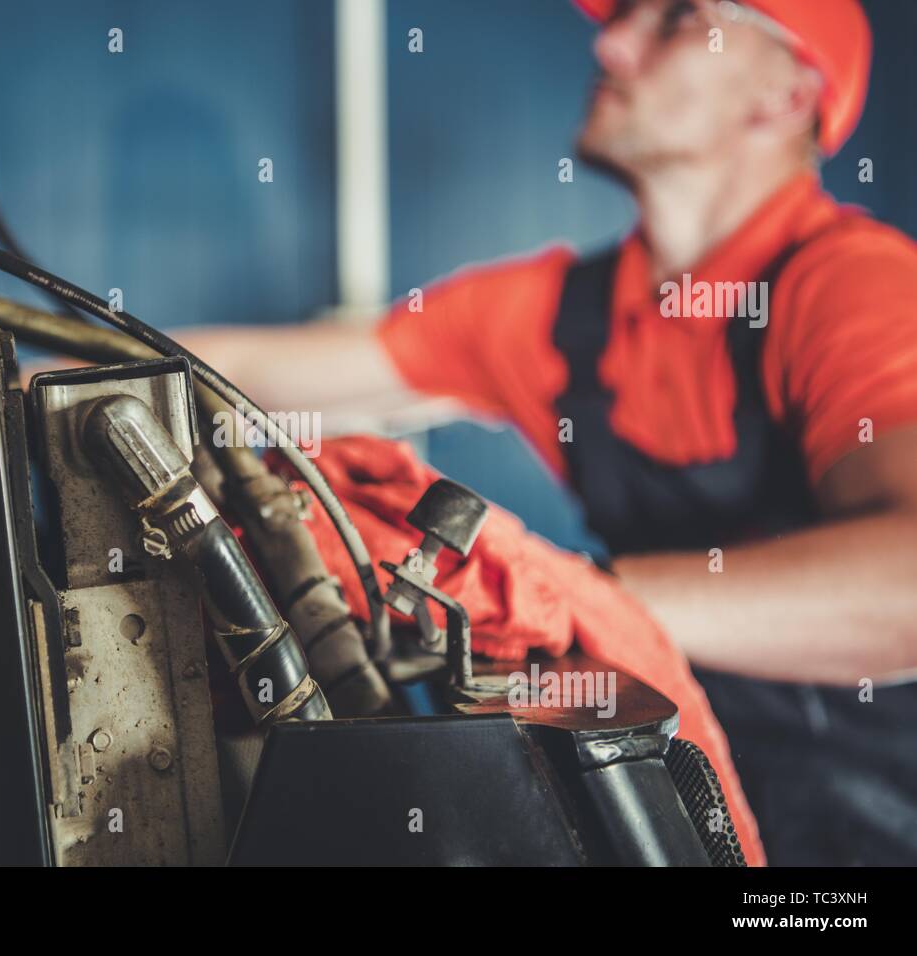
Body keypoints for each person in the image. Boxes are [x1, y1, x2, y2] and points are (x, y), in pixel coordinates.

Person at [164, 0, 917, 864]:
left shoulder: (854, 288)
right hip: (654, 803)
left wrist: (575, 595)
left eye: (673, 20)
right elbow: (259, 371)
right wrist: (25, 364)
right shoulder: (570, 317)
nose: (610, 43)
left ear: (786, 93)